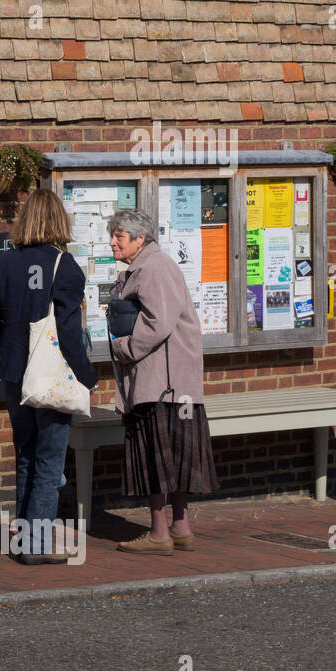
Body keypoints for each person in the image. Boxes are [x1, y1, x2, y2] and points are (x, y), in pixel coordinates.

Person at [0, 189, 97, 564]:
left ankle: (25, 535)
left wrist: (4, 350)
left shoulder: (5, 262)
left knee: (27, 454)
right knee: (50, 462)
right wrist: (87, 376)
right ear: (59, 220)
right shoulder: (67, 267)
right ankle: (34, 545)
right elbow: (69, 332)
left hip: (14, 373)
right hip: (52, 376)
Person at [106, 209, 220, 554]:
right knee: (175, 455)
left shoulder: (153, 268)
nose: (112, 241)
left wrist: (122, 347)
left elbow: (157, 323)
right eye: (113, 235)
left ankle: (160, 534)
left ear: (140, 239)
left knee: (156, 456)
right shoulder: (149, 267)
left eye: (119, 236)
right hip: (172, 383)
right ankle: (180, 527)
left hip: (161, 383)